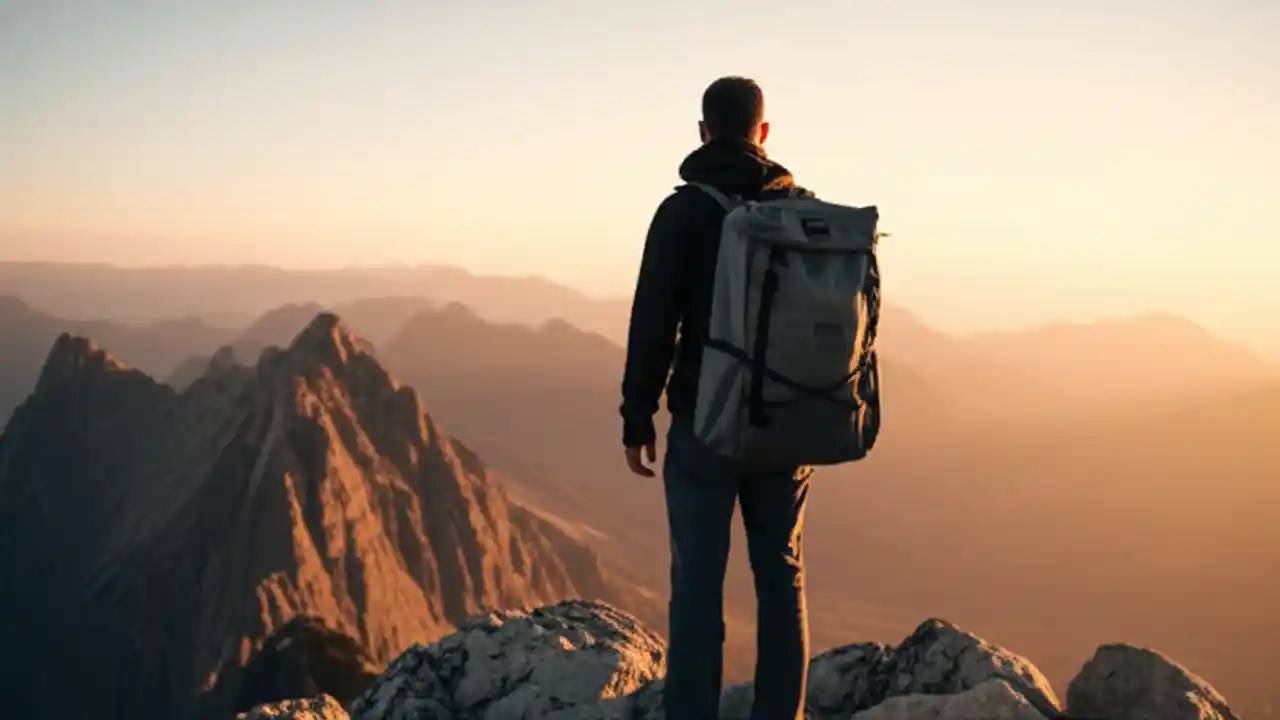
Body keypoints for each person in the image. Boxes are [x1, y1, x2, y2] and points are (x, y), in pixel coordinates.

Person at [621, 76, 813, 720]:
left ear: (703, 131)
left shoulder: (683, 212)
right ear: (763, 133)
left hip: (706, 421)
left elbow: (653, 321)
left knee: (698, 584)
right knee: (780, 578)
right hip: (788, 424)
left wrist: (636, 415)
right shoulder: (801, 212)